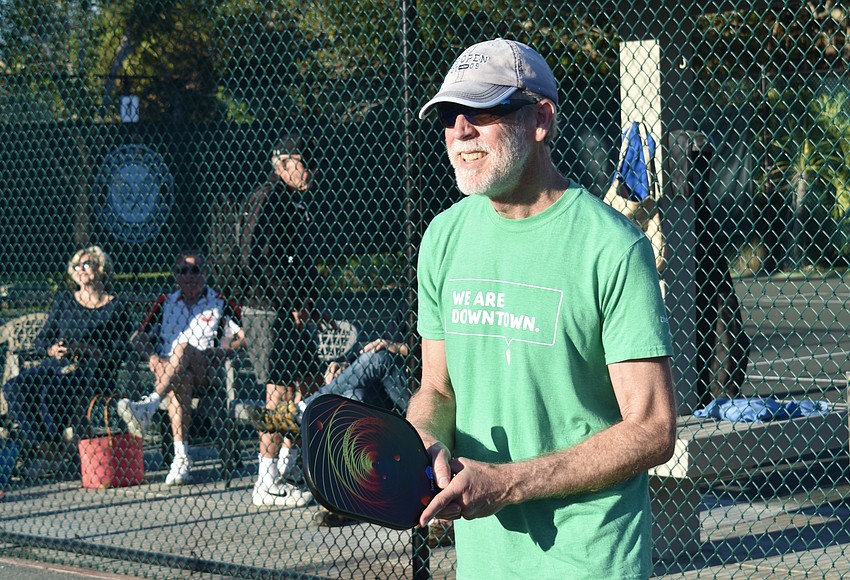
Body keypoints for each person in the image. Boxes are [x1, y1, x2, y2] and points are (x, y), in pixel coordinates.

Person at [410, 38, 677, 578]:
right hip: (483, 564)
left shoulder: (613, 247)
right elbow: (437, 389)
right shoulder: (443, 238)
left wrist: (507, 483)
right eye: (449, 114)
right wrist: (424, 441)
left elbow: (652, 428)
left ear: (541, 119)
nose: (460, 129)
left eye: (484, 109)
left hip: (589, 561)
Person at [117, 250, 245, 486]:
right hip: (172, 372)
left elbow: (246, 336)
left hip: (206, 367)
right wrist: (152, 357)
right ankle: (181, 458)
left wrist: (225, 350)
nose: (189, 275)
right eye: (182, 270)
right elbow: (137, 337)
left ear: (205, 273)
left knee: (183, 348)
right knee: (181, 379)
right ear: (175, 275)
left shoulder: (220, 301)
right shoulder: (165, 302)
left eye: (195, 269)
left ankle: (151, 404)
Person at [3, 246, 134, 475]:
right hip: (57, 364)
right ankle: (49, 450)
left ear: (101, 269)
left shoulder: (116, 306)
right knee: (14, 387)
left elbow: (123, 348)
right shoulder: (65, 300)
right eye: (76, 266)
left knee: (50, 392)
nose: (80, 270)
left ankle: (51, 456)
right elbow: (42, 340)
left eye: (86, 264)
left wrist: (88, 349)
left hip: (92, 369)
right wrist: (52, 349)